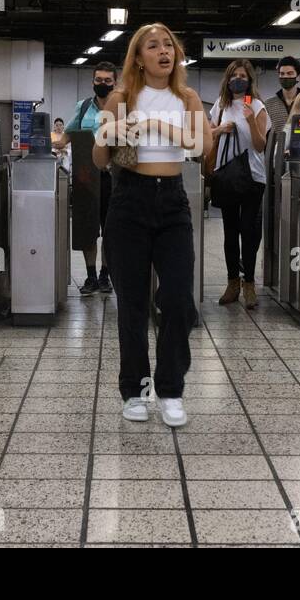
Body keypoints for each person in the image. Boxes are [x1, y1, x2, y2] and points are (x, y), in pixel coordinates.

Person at [94, 23, 210, 428]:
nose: (163, 51)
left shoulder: (187, 97)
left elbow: (200, 147)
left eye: (169, 45)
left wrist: (156, 125)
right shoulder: (122, 97)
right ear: (138, 57)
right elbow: (99, 161)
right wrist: (106, 133)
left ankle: (171, 387)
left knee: (179, 299)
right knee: (133, 303)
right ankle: (135, 390)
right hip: (129, 200)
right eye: (153, 46)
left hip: (173, 201)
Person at [53, 61, 118, 294]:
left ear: (115, 83)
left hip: (113, 177)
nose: (102, 84)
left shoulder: (122, 107)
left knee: (111, 230)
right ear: (93, 81)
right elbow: (68, 135)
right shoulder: (83, 107)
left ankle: (105, 276)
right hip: (86, 176)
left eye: (107, 81)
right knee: (87, 228)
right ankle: (90, 276)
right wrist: (45, 143)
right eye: (98, 80)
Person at [209, 59, 269, 308]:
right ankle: (232, 282)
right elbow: (207, 136)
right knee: (230, 232)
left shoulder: (257, 106)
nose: (238, 80)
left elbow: (260, 145)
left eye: (243, 76)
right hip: (226, 177)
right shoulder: (220, 106)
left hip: (253, 177)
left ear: (249, 80)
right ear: (228, 79)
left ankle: (250, 284)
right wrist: (219, 130)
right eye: (234, 75)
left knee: (250, 231)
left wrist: (252, 120)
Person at [264, 56, 300, 139]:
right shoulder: (268, 104)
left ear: (298, 77)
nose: (285, 77)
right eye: (282, 74)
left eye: (290, 73)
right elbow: (264, 133)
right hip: (275, 150)